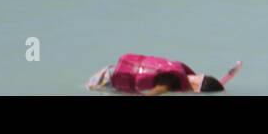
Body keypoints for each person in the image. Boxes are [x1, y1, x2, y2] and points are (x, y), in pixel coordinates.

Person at [86, 55, 241, 94]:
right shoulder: (169, 82)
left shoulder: (179, 72)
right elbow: (157, 91)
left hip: (112, 72)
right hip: (104, 80)